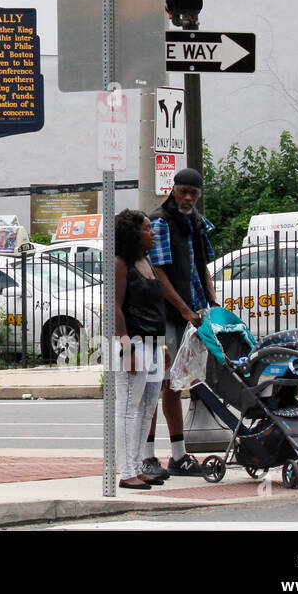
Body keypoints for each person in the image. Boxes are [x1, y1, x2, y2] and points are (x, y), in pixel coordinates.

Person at [144, 168, 218, 478]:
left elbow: (203, 268)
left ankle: (178, 456)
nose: (188, 197)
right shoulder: (160, 221)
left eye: (193, 193)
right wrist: (185, 310)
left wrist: (211, 304)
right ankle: (146, 456)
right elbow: (160, 273)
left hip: (194, 314)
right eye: (183, 191)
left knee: (176, 386)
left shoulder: (196, 223)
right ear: (173, 190)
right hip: (167, 316)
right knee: (155, 385)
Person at [114, 209, 167, 489]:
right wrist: (126, 349)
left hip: (154, 343)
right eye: (147, 229)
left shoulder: (147, 262)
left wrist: (163, 345)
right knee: (128, 409)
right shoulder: (121, 264)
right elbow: (115, 307)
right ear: (134, 234)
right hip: (133, 343)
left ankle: (137, 466)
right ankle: (126, 473)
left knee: (147, 408)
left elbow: (155, 307)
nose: (153, 233)